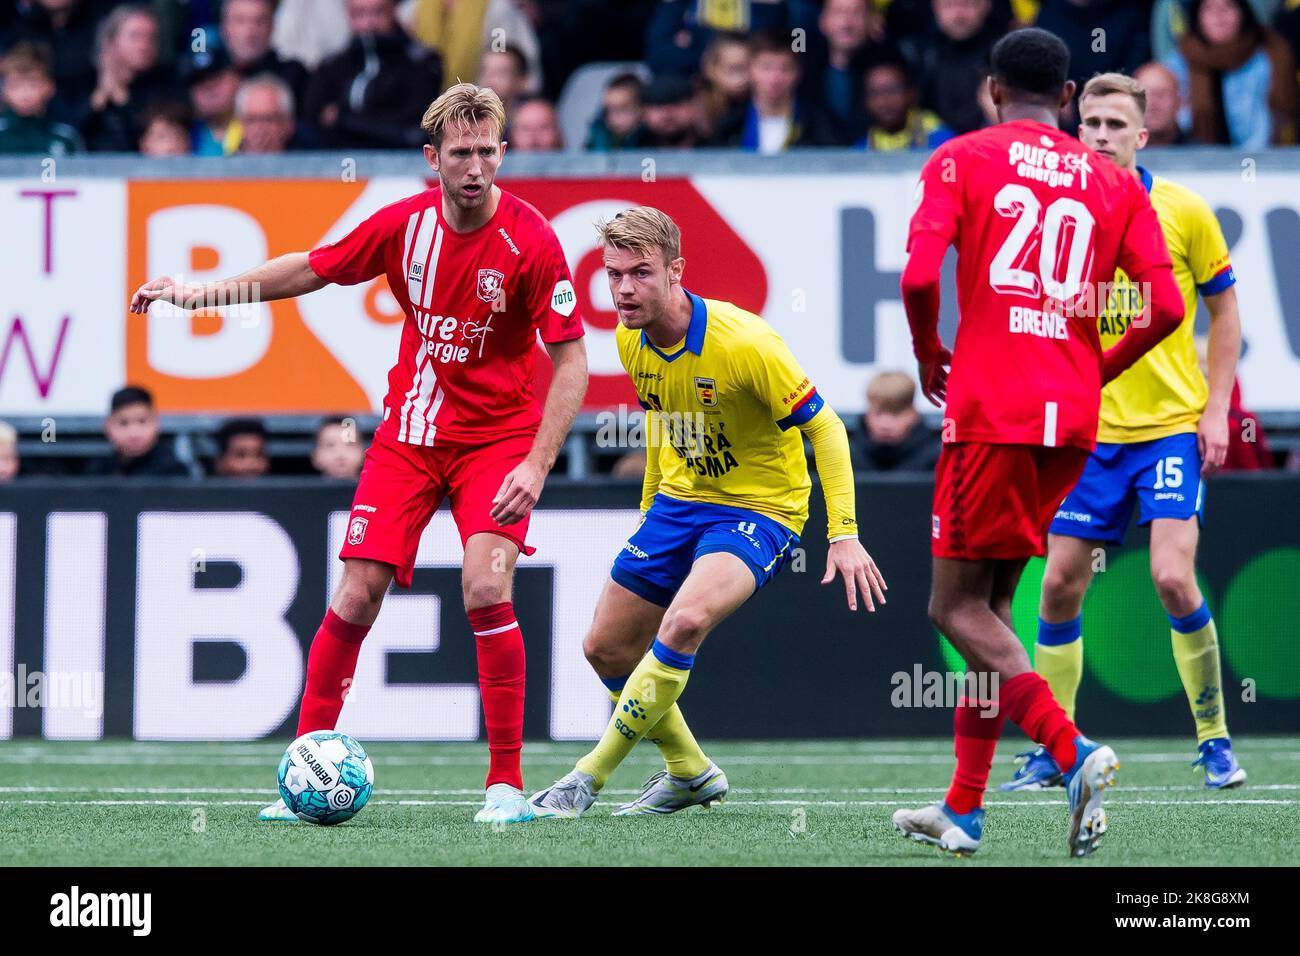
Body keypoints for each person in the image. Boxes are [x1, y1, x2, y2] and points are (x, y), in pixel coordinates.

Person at [130, 82, 589, 826]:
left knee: (485, 586)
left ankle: (505, 785)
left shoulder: (532, 240)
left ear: (502, 153)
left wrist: (535, 464)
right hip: (409, 436)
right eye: (460, 153)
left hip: (497, 441)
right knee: (355, 593)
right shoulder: (403, 228)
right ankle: (306, 770)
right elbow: (309, 268)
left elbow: (571, 362)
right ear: (431, 158)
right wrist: (198, 295)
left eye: (486, 152)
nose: (475, 167)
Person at [892, 28, 1184, 858]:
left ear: (991, 89)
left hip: (990, 410)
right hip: (1070, 420)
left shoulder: (961, 157)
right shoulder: (1113, 180)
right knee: (990, 611)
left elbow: (918, 277)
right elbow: (1164, 307)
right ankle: (963, 807)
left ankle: (1073, 751)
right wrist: (1096, 364)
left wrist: (926, 355)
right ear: (1066, 100)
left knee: (952, 607)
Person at [527, 206, 887, 819]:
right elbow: (664, 424)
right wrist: (649, 508)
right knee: (605, 649)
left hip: (760, 507)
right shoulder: (628, 339)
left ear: (676, 272)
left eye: (640, 273)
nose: (623, 289)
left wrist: (844, 533)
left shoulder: (746, 342)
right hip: (678, 503)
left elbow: (826, 429)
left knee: (684, 622)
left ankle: (587, 778)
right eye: (614, 275)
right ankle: (690, 772)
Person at [1000, 71, 1246, 795]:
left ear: (1143, 135)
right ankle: (1058, 749)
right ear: (1076, 130)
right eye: (1092, 123)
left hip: (1168, 427)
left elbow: (1224, 313)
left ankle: (1214, 740)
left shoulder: (1183, 210)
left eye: (1116, 125)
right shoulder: (1056, 214)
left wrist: (1217, 408)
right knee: (1059, 590)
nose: (1102, 135)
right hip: (1083, 433)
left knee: (1172, 576)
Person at [302, 0, 443, 149]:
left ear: (393, 11)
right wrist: (375, 123)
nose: (368, 23)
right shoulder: (332, 66)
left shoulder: (422, 63)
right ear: (347, 14)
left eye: (378, 12)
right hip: (336, 167)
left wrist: (342, 119)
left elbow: (414, 132)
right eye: (358, 14)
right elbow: (313, 120)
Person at [1163, 0, 1297, 147]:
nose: (1219, 16)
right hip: (1193, 161)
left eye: (1228, 6)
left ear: (1243, 13)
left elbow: (1272, 124)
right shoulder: (1175, 65)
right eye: (1208, 8)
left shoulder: (1270, 58)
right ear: (1196, 17)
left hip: (1261, 161)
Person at [711, 31, 837, 152]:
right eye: (766, 67)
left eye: (785, 68)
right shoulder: (728, 126)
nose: (775, 79)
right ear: (750, 69)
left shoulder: (821, 126)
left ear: (798, 72)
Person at [901, 0, 1003, 135]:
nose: (958, 15)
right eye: (949, 5)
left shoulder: (1004, 54)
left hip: (989, 143)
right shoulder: (917, 54)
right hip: (932, 147)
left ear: (986, 5)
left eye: (967, 5)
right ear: (935, 7)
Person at [221, 0, 309, 111]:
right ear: (225, 28)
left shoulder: (294, 76)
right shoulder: (212, 76)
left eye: (259, 22)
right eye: (240, 21)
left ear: (272, 27)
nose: (250, 32)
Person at [85, 386, 190, 477]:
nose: (134, 433)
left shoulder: (173, 472)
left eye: (142, 421)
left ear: (157, 423)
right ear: (108, 426)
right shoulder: (98, 471)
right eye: (123, 423)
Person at [0, 41, 83, 155]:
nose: (24, 94)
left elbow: (81, 172)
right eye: (16, 85)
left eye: (32, 85)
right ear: (5, 90)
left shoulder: (65, 138)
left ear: (50, 87)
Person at [857, 60, 954, 150]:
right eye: (874, 93)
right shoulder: (863, 147)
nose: (884, 101)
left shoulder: (940, 138)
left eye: (893, 90)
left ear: (912, 93)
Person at [855, 371, 941, 472]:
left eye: (896, 413)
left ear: (913, 414)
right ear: (867, 413)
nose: (885, 424)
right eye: (878, 413)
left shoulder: (938, 459)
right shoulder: (845, 456)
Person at [1132, 61, 1189, 145]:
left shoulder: (1202, 155)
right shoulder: (1113, 154)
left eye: (1160, 95)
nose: (1153, 105)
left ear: (1179, 101)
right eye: (1144, 97)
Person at [585, 72, 645, 150]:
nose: (614, 117)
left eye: (623, 109)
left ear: (641, 109)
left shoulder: (648, 140)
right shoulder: (599, 135)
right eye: (608, 110)